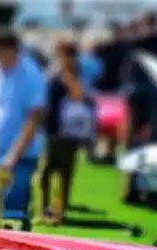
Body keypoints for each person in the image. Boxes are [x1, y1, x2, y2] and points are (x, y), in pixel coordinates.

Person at [0, 26, 45, 221]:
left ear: (10, 50)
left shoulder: (30, 74)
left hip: (21, 155)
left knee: (13, 212)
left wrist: (12, 157)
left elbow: (33, 118)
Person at [42, 40, 96, 225]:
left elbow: (81, 96)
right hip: (52, 128)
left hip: (69, 132)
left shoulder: (77, 75)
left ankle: (60, 210)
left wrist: (68, 77)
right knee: (45, 172)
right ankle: (44, 208)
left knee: (65, 171)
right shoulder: (52, 74)